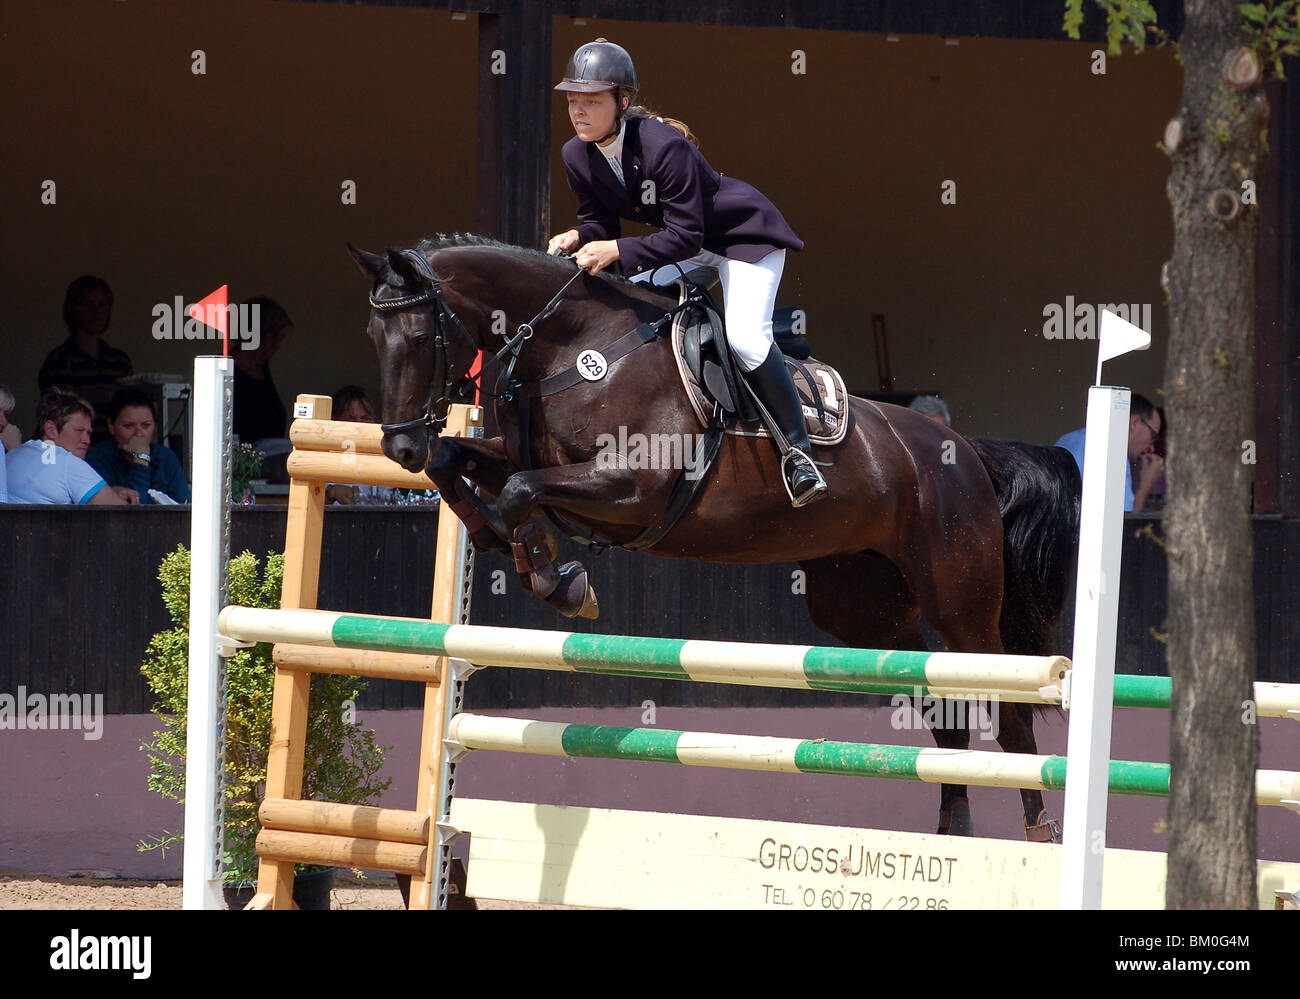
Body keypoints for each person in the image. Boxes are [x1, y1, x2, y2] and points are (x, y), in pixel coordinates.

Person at [547, 40, 826, 507]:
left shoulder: (664, 146)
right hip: (687, 244)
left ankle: (798, 454)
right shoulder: (577, 154)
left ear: (623, 101)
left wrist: (615, 248)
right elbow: (600, 222)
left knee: (746, 340)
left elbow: (683, 234)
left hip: (742, 240)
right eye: (573, 101)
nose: (579, 112)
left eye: (591, 101)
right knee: (624, 303)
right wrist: (580, 236)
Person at [37, 276, 133, 445]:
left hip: (115, 453)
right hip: (74, 451)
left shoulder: (119, 361)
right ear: (73, 309)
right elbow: (59, 414)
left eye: (102, 305)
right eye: (88, 305)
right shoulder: (59, 361)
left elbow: (130, 410)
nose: (96, 312)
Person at [5, 388, 132, 505]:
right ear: (51, 430)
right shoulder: (67, 462)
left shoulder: (15, 454)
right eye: (79, 431)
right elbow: (124, 517)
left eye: (88, 433)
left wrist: (110, 491)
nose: (87, 440)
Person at [1054, 393, 1164, 513]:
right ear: (1135, 423)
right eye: (1152, 436)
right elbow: (1122, 524)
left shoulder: (1069, 439)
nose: (1152, 448)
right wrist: (1146, 485)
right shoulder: (1112, 451)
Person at [86, 388, 191, 504]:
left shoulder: (166, 458)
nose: (139, 434)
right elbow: (133, 510)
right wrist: (141, 458)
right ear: (111, 426)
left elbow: (184, 506)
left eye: (146, 425)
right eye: (128, 426)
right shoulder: (98, 458)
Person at [325, 386, 403, 505]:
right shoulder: (322, 455)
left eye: (365, 419)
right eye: (350, 419)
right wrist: (332, 492)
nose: (359, 425)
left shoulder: (385, 456)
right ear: (335, 420)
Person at [232, 296, 292, 445]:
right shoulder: (223, 368)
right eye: (275, 339)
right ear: (259, 334)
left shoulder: (262, 370)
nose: (277, 346)